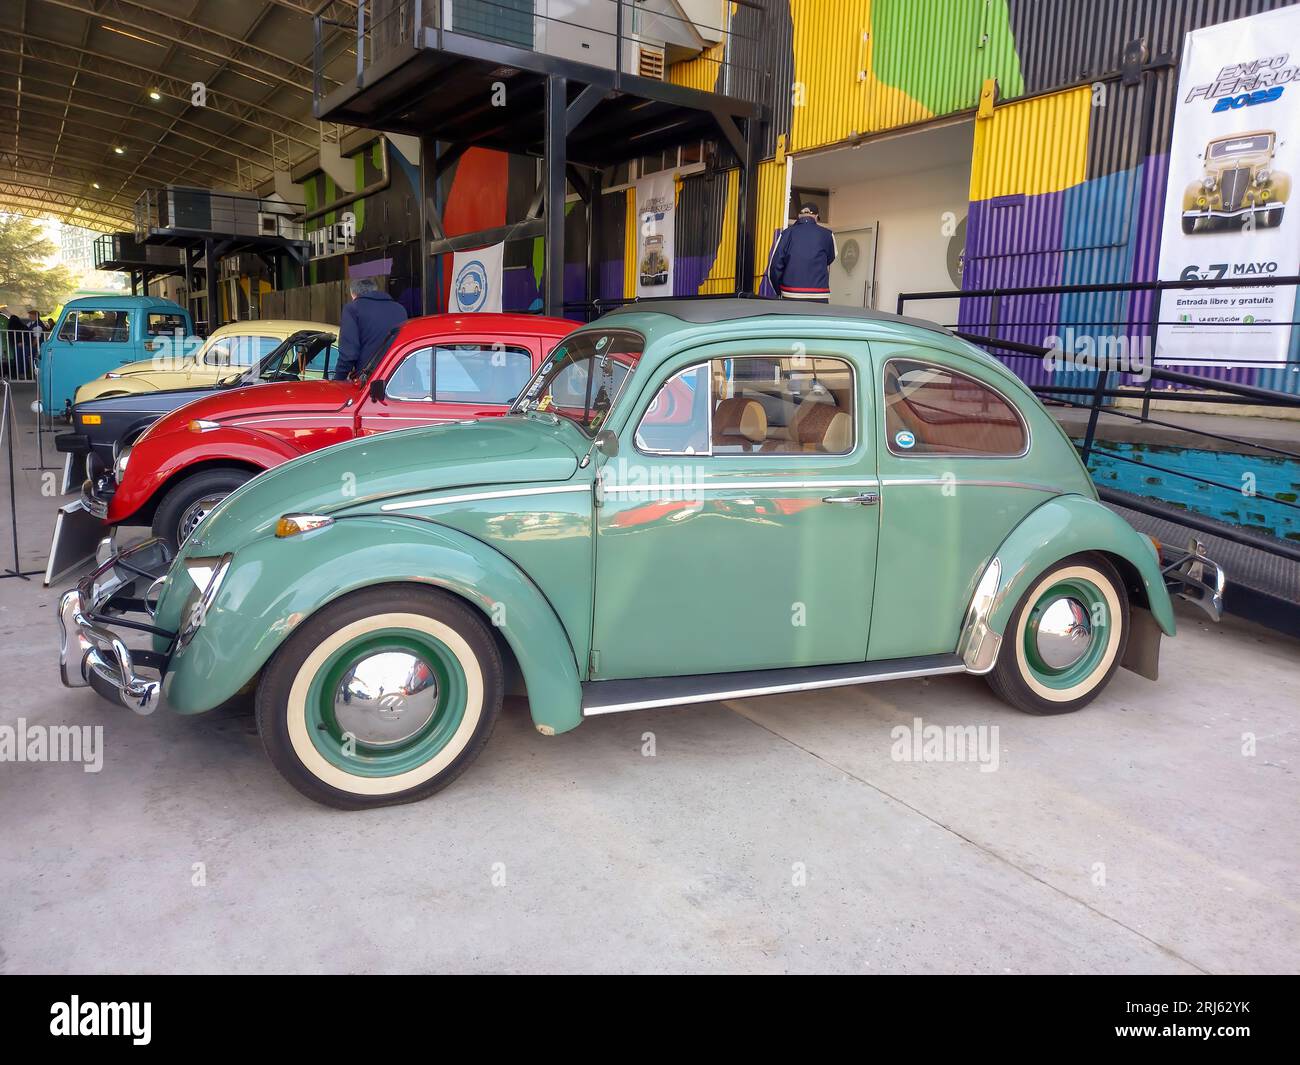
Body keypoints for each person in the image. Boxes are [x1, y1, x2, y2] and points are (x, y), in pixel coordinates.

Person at [334, 277, 408, 380]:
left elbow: (349, 355)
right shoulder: (400, 309)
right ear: (375, 289)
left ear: (353, 294)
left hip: (369, 381)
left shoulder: (352, 309)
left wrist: (338, 380)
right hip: (398, 379)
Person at [766, 203, 837, 303]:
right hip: (819, 295)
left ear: (799, 216)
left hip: (791, 294)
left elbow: (774, 268)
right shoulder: (827, 234)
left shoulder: (787, 234)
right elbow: (830, 258)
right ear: (816, 217)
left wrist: (780, 291)